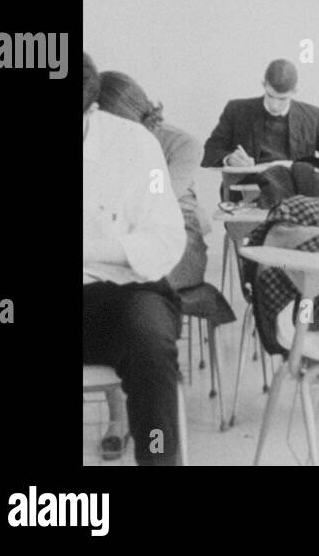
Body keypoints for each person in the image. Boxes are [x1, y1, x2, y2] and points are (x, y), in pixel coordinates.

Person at [96, 70, 215, 459]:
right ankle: (124, 417)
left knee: (140, 308)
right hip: (119, 256)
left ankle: (142, 419)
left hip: (180, 246)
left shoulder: (180, 144)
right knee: (115, 297)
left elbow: (157, 218)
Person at [83, 52, 187, 466]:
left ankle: (158, 460)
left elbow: (164, 240)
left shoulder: (134, 144)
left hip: (124, 293)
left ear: (92, 107)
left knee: (151, 350)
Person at [201, 58, 319, 176]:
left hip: (296, 192)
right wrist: (229, 158)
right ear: (264, 84)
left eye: (282, 99)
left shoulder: (312, 117)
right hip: (247, 191)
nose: (274, 105)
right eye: (270, 96)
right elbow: (209, 151)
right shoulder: (237, 110)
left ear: (295, 91)